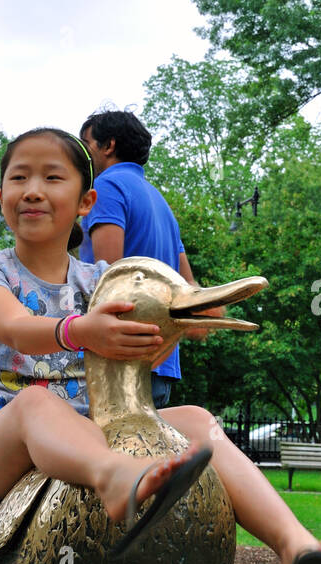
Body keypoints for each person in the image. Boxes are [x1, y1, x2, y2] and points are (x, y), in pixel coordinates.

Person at [0, 128, 321, 564]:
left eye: (52, 177)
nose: (33, 189)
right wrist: (82, 331)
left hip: (92, 431)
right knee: (38, 404)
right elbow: (14, 328)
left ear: (86, 201)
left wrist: (174, 325)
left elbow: (143, 338)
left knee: (193, 417)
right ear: (1, 196)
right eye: (19, 177)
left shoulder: (100, 279)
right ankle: (115, 477)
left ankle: (297, 549)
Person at [78, 109, 219, 409]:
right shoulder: (159, 202)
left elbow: (108, 278)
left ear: (108, 146)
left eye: (86, 144)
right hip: (161, 364)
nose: (81, 154)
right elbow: (189, 286)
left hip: (118, 363)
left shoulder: (106, 187)